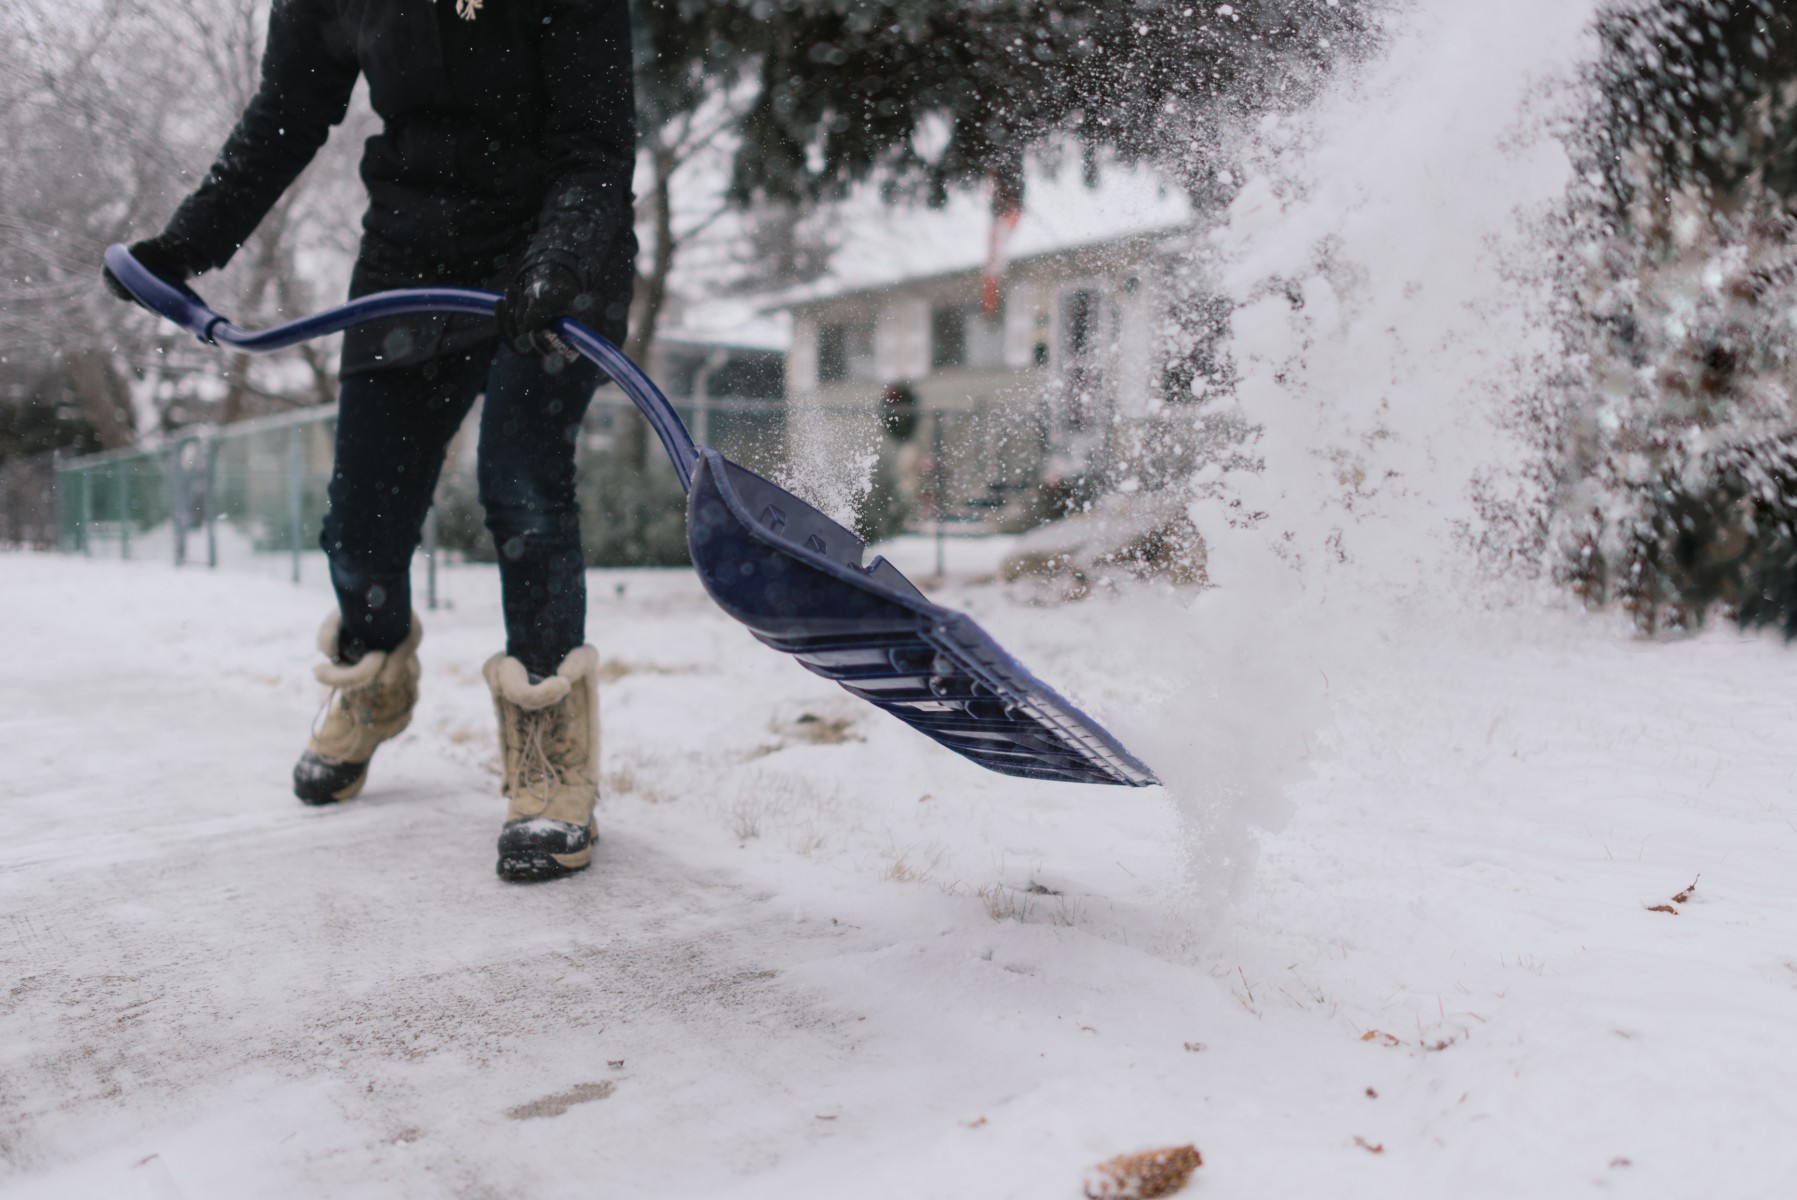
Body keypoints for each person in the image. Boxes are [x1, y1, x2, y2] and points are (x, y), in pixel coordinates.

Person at [102, 0, 637, 883]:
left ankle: (550, 762)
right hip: (413, 252)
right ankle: (376, 680)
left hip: (557, 244)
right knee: (360, 526)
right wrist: (184, 249)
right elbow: (287, 115)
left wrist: (561, 259)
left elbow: (596, 142)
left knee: (522, 488)